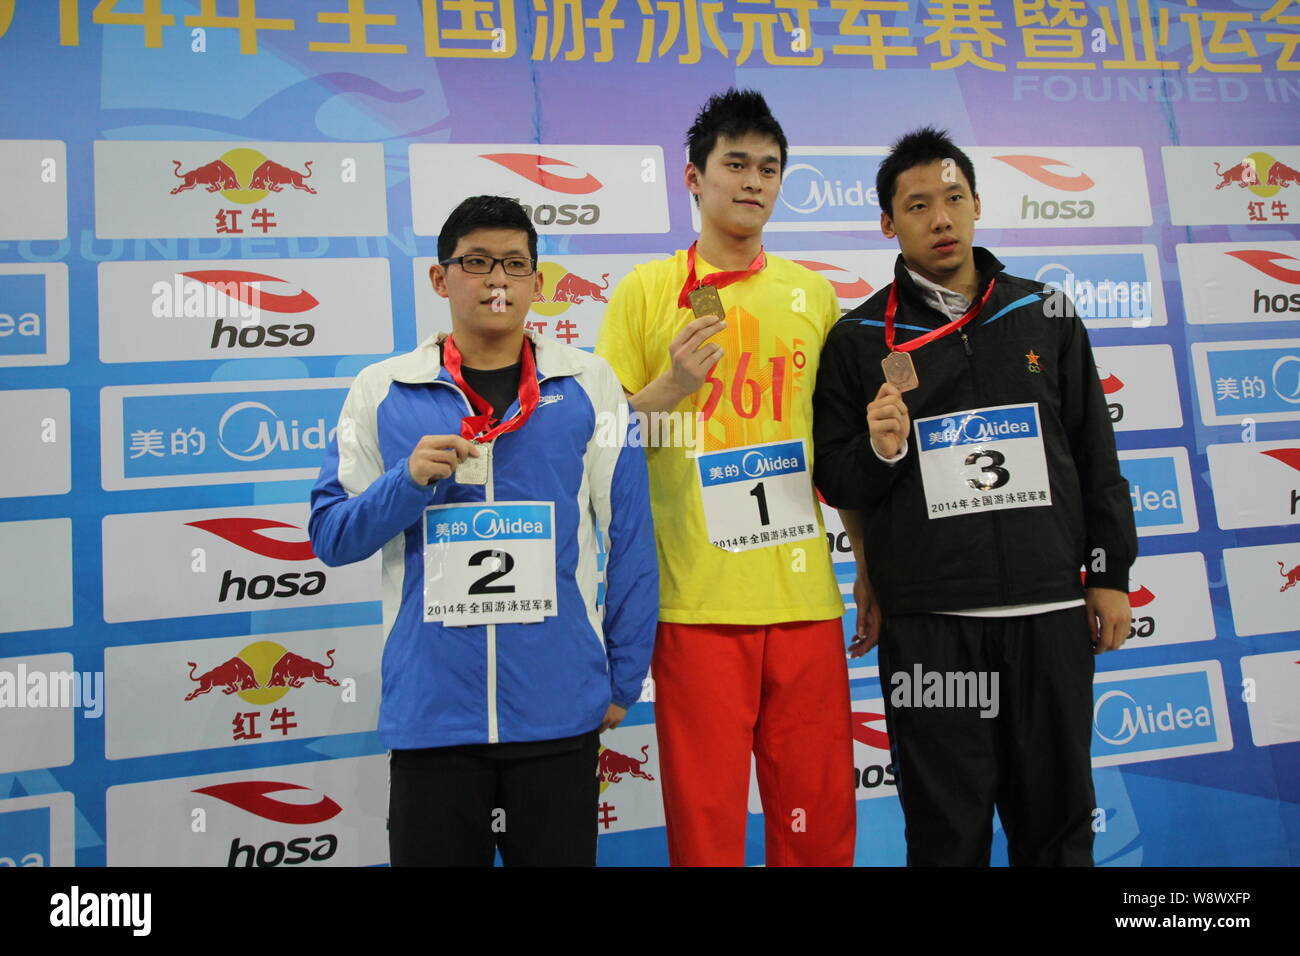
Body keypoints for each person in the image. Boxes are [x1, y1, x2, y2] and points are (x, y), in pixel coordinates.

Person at [812, 127, 1137, 866]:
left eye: (954, 199)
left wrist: (1109, 574)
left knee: (1057, 828)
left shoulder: (1043, 313)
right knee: (946, 834)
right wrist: (881, 448)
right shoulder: (859, 338)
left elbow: (1094, 452)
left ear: (978, 205)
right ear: (889, 224)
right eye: (919, 205)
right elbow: (837, 481)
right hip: (933, 629)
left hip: (1049, 617)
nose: (942, 219)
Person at [309, 195, 657, 867]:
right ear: (441, 278)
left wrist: (622, 679)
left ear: (536, 281)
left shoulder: (591, 383)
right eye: (476, 262)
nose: (497, 280)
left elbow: (633, 539)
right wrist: (404, 484)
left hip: (559, 712)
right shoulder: (382, 390)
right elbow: (331, 535)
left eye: (514, 264)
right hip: (433, 717)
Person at [595, 89, 856, 867]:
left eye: (768, 168)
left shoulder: (814, 296)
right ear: (693, 178)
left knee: (817, 824)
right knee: (705, 828)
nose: (753, 182)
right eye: (735, 164)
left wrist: (866, 573)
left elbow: (836, 455)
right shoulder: (645, 292)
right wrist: (669, 387)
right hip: (695, 601)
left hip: (805, 598)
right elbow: (602, 441)